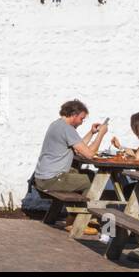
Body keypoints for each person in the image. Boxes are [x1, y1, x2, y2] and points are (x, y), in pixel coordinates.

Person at [32, 99, 106, 235]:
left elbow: (78, 147)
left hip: (44, 177)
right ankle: (77, 221)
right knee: (93, 182)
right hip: (52, 179)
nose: (81, 122)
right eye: (81, 118)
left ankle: (80, 217)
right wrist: (101, 134)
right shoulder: (67, 129)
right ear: (74, 114)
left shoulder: (57, 124)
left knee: (86, 174)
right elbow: (89, 154)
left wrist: (91, 133)